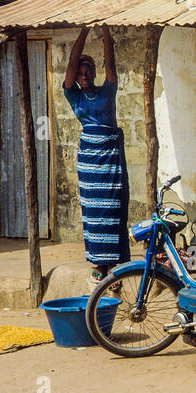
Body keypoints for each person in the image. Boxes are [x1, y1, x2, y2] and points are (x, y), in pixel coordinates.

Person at [63, 26, 130, 282]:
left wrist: (105, 34)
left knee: (113, 209)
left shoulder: (107, 90)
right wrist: (83, 30)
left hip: (111, 157)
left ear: (95, 71)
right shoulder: (74, 96)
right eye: (80, 72)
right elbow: (71, 62)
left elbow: (110, 63)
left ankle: (113, 263)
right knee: (93, 211)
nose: (84, 74)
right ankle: (98, 264)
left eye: (88, 69)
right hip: (90, 161)